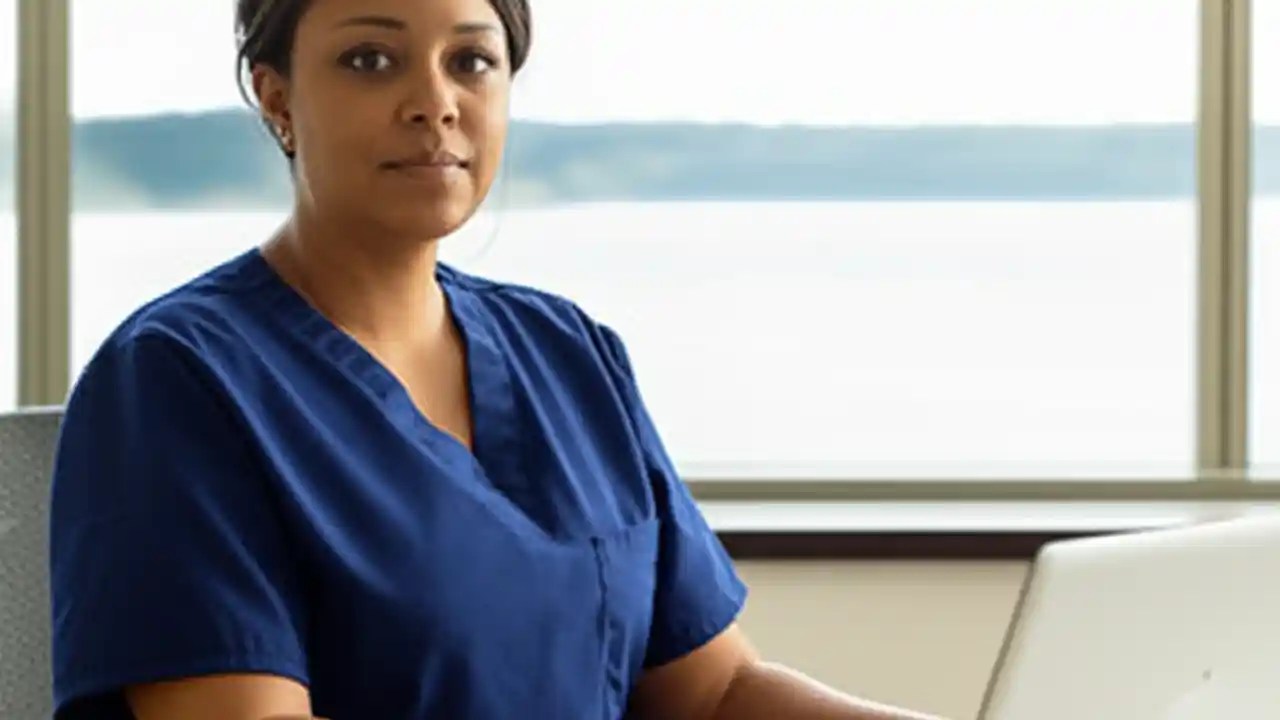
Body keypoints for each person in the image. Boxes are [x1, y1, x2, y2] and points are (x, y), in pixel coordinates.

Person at [48, 1, 947, 719]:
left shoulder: (572, 354)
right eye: (370, 59)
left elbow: (713, 694)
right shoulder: (178, 380)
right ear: (276, 97)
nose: (434, 100)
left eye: (471, 61)